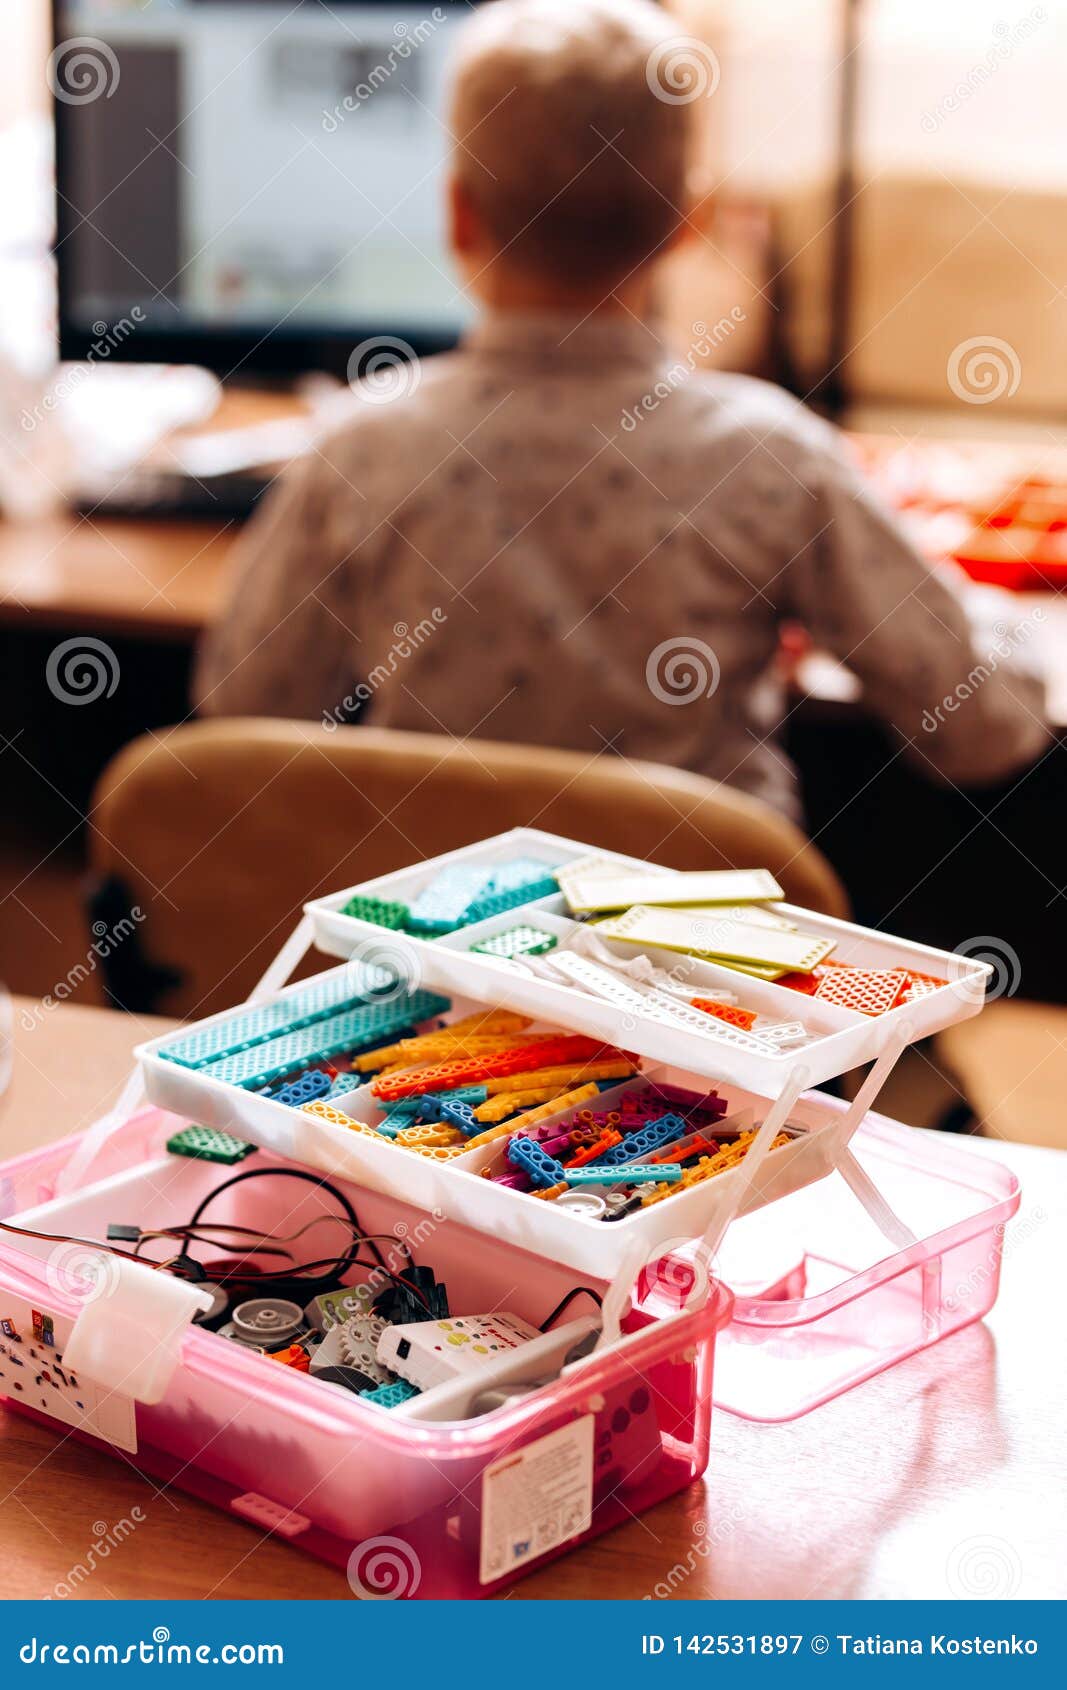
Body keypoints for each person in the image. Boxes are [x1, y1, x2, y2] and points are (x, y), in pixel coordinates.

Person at [194, 0, 1047, 835]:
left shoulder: (359, 446)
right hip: (702, 964)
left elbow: (241, 718)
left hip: (437, 945)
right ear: (690, 221)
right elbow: (982, 730)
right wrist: (992, 619)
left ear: (457, 214)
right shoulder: (770, 458)